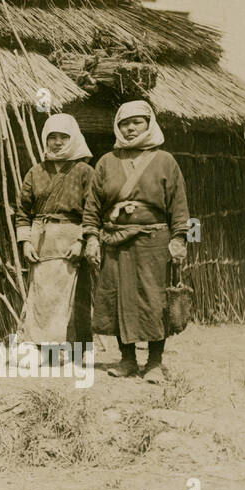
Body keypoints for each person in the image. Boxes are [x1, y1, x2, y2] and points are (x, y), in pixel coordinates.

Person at [82, 100, 189, 383]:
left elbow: (178, 204)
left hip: (154, 240)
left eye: (136, 122)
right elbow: (92, 205)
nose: (130, 129)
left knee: (155, 300)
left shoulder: (165, 160)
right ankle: (127, 359)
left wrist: (179, 238)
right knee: (118, 297)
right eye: (124, 124)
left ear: (149, 124)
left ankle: (154, 362)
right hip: (116, 240)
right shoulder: (107, 161)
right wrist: (91, 238)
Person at [15, 113, 95, 369]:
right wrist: (26, 241)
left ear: (73, 139)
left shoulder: (85, 171)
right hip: (42, 240)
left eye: (64, 137)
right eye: (52, 137)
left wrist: (82, 240)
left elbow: (94, 211)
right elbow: (22, 212)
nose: (57, 143)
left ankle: (75, 349)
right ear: (44, 140)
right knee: (41, 296)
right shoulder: (36, 172)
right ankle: (39, 347)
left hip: (72, 239)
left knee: (74, 296)